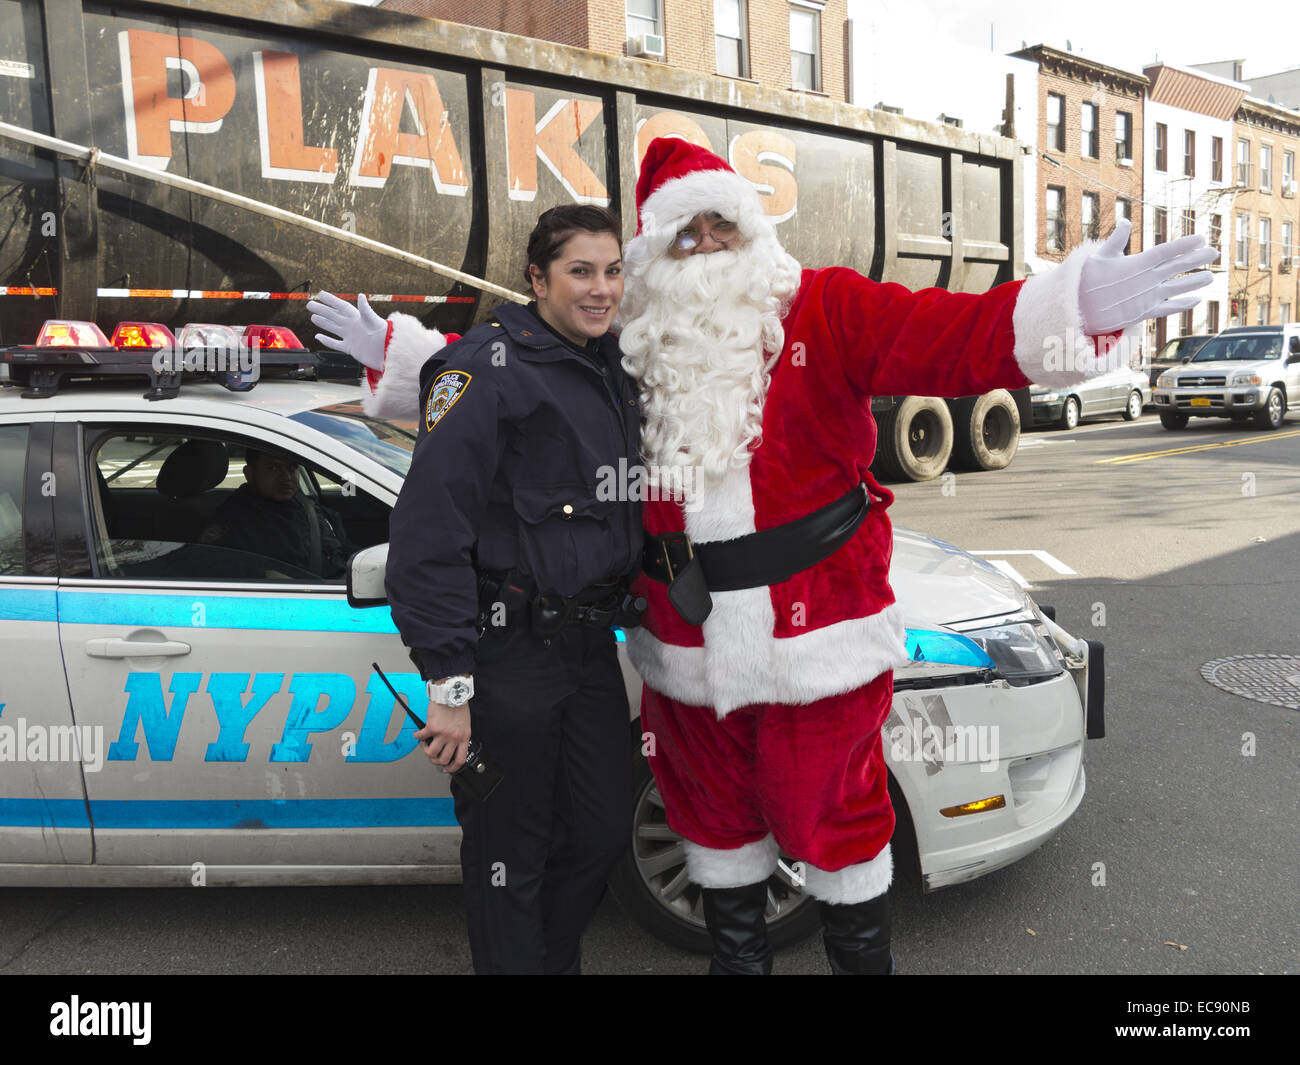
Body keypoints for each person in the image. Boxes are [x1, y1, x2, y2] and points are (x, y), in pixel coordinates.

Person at [323, 139, 1215, 975]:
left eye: (723, 224)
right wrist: (415, 367)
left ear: (755, 230)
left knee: (839, 825)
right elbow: (522, 383)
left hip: (817, 638)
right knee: (708, 828)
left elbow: (945, 334)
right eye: (686, 231)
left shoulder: (823, 307)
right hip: (684, 650)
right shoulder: (640, 336)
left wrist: (1072, 309)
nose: (707, 245)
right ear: (657, 253)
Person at [307, 205, 642, 974]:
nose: (602, 289)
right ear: (537, 277)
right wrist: (449, 682)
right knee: (508, 856)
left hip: (589, 650)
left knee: (596, 834)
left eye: (613, 270)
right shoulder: (487, 367)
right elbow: (430, 532)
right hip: (506, 659)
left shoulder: (611, 363)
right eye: (581, 272)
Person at [199, 448, 352, 578]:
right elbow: (208, 562)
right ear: (250, 474)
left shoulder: (308, 506)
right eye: (273, 468)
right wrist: (262, 574)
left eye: (292, 468)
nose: (286, 477)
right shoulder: (235, 518)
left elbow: (341, 548)